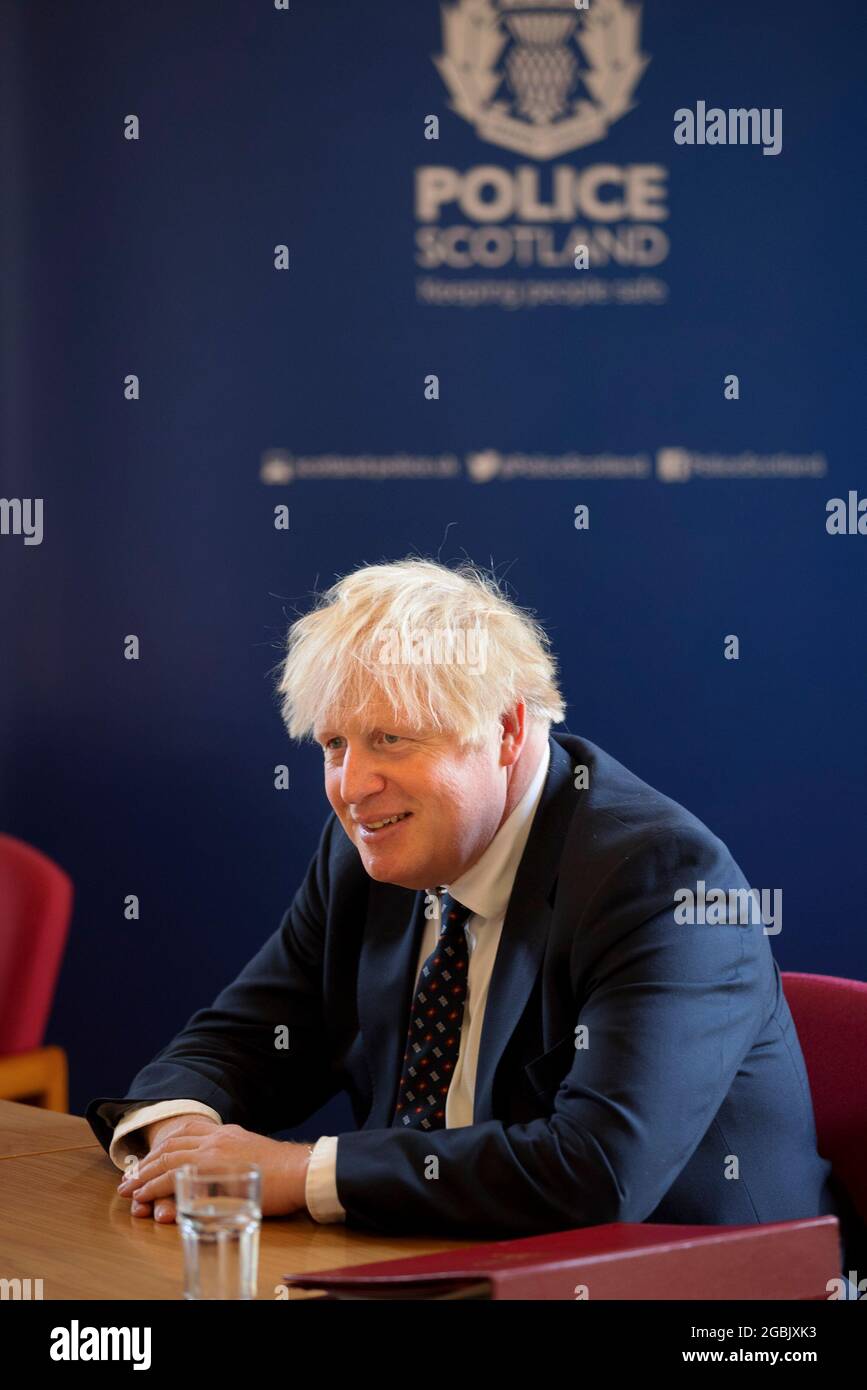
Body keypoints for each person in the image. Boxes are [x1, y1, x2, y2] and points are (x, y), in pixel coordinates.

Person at [86, 556, 855, 1271]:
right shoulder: (368, 850)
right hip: (439, 1265)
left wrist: (294, 1169)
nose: (352, 786)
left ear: (507, 729)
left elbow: (596, 1172)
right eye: (333, 744)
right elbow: (248, 1036)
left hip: (703, 1297)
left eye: (389, 739)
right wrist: (180, 1130)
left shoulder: (663, 880)